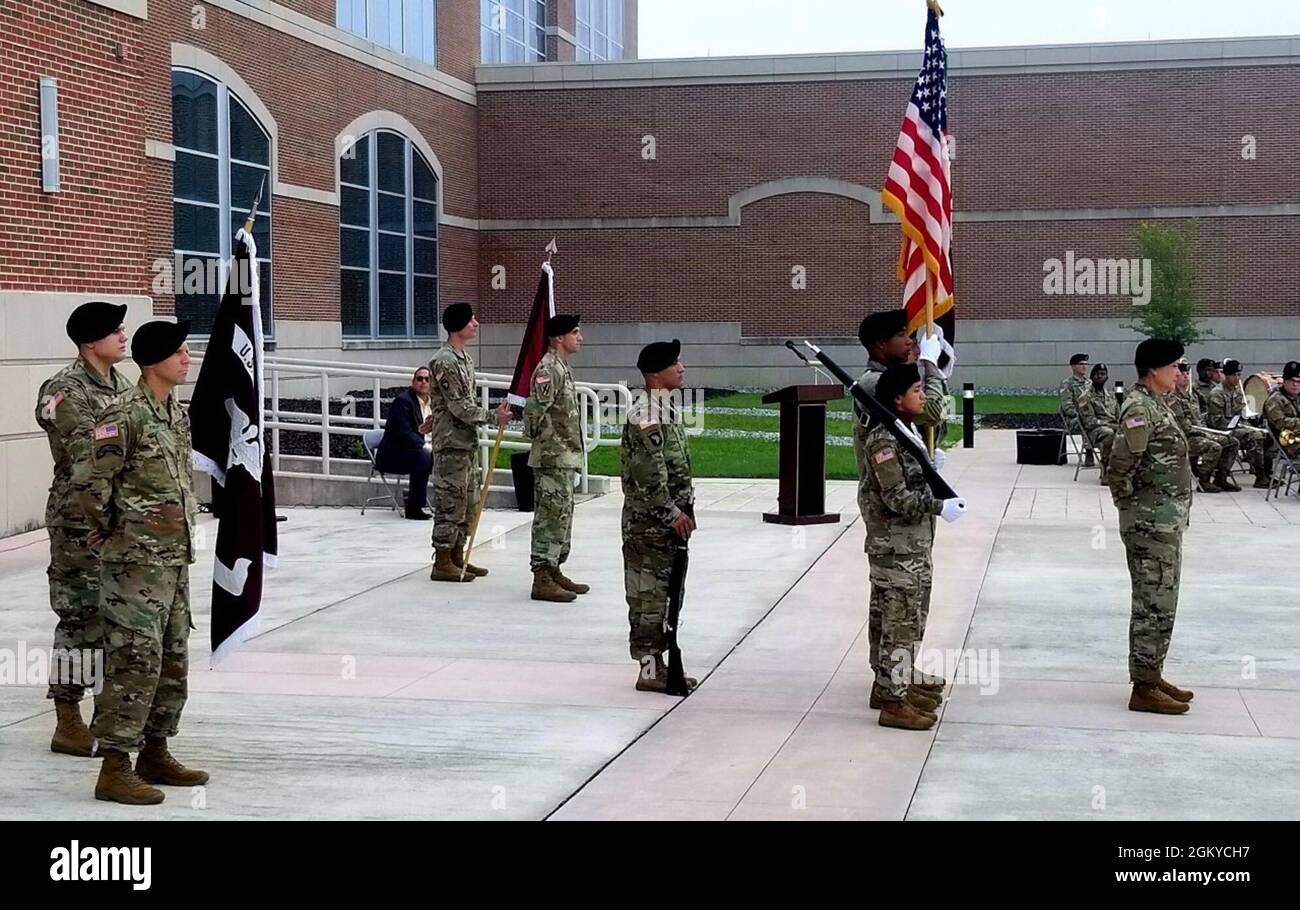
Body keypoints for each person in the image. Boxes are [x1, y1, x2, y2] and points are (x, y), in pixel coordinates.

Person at [82, 320, 207, 804]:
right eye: (179, 351)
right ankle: (115, 767)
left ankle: (156, 751)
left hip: (172, 564)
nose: (187, 358)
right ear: (153, 361)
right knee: (133, 663)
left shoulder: (174, 412)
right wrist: (119, 543)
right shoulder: (123, 415)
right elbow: (93, 489)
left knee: (172, 662)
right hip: (134, 567)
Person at [34, 301, 134, 757]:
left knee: (114, 615)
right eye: (114, 329)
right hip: (78, 521)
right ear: (89, 342)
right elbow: (89, 456)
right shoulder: (64, 389)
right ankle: (67, 719)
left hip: (118, 517)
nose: (123, 333)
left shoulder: (121, 384)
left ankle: (104, 715)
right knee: (80, 617)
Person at [858, 364, 966, 730]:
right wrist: (939, 504)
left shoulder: (904, 431)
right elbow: (897, 499)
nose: (923, 396)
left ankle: (891, 684)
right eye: (916, 390)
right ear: (896, 400)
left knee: (904, 619)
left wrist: (930, 468)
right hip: (897, 549)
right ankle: (893, 700)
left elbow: (911, 479)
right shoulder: (884, 441)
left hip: (911, 546)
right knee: (899, 623)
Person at [852, 309, 950, 690]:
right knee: (898, 600)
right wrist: (930, 366)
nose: (910, 341)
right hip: (891, 510)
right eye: (902, 336)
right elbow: (933, 411)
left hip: (904, 505)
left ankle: (896, 673)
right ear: (879, 345)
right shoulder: (874, 383)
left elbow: (922, 425)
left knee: (901, 598)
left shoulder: (887, 379)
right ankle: (892, 680)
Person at [1106, 338, 1195, 716]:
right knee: (1151, 603)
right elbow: (1121, 463)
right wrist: (1133, 505)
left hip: (1164, 522)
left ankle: (1153, 673)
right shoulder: (1139, 407)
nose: (1179, 372)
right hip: (1149, 523)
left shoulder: (1159, 404)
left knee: (1164, 600)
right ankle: (1142, 686)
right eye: (1174, 366)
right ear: (1154, 370)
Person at [622, 340, 698, 694]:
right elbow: (649, 475)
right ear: (654, 374)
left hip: (668, 522)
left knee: (666, 596)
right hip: (650, 524)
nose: (681, 368)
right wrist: (671, 513)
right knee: (648, 598)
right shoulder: (646, 414)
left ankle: (660, 665)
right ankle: (649, 669)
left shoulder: (665, 408)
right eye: (674, 363)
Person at [427, 303, 511, 583]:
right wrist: (492, 416)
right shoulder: (445, 361)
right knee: (451, 502)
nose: (476, 323)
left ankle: (457, 556)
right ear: (458, 325)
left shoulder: (464, 358)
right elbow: (459, 406)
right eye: (471, 320)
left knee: (469, 502)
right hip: (451, 444)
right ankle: (442, 560)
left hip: (465, 443)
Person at [523, 314, 587, 602]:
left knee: (562, 515)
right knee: (549, 516)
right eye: (575, 332)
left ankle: (554, 568)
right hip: (552, 456)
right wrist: (543, 441)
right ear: (559, 338)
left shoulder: (561, 367)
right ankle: (542, 576)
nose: (580, 338)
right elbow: (535, 410)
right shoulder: (548, 368)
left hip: (563, 455)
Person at [1168, 360, 1239, 493]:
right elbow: (1185, 427)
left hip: (1200, 432)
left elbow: (1200, 418)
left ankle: (1221, 477)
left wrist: (1209, 432)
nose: (1185, 376)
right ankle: (1204, 479)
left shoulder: (1191, 396)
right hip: (1186, 437)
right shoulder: (1173, 399)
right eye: (1182, 374)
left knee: (1232, 442)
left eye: (1187, 374)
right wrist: (1207, 434)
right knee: (1214, 446)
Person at [376, 367, 434, 520]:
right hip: (396, 454)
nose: (423, 382)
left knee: (452, 456)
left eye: (427, 379)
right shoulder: (403, 402)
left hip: (422, 451)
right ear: (413, 382)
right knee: (424, 456)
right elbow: (404, 433)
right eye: (419, 379)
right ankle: (414, 508)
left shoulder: (433, 404)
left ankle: (452, 506)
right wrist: (426, 446)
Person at [1206, 358, 1272, 488]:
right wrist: (1237, 424)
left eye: (1238, 375)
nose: (1237, 378)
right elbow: (1215, 421)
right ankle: (1260, 476)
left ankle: (1264, 472)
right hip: (1222, 429)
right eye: (1234, 375)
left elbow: (1241, 413)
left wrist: (1247, 423)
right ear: (1226, 375)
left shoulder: (1236, 392)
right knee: (1255, 436)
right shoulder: (1217, 393)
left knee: (1266, 435)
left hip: (1235, 427)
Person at [1076, 362, 1118, 471]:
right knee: (1109, 433)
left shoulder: (1111, 395)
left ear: (1107, 377)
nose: (1100, 376)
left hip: (1112, 428)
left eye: (1102, 374)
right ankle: (1106, 471)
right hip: (1095, 432)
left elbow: (1119, 415)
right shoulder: (1085, 397)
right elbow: (1089, 422)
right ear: (1092, 376)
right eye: (1097, 374)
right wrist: (1112, 426)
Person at [1059, 353, 1094, 466]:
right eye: (1081, 364)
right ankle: (1089, 452)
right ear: (1073, 366)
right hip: (1074, 419)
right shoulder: (1067, 384)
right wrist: (1082, 414)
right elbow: (1067, 406)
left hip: (1091, 417)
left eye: (1086, 364)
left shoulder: (1090, 383)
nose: (1084, 367)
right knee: (1087, 422)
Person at [1263, 360, 1300, 463]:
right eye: (1291, 380)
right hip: (1286, 442)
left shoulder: (1298, 397)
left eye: (1298, 381)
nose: (1295, 384)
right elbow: (1280, 423)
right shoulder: (1275, 399)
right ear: (1284, 381)